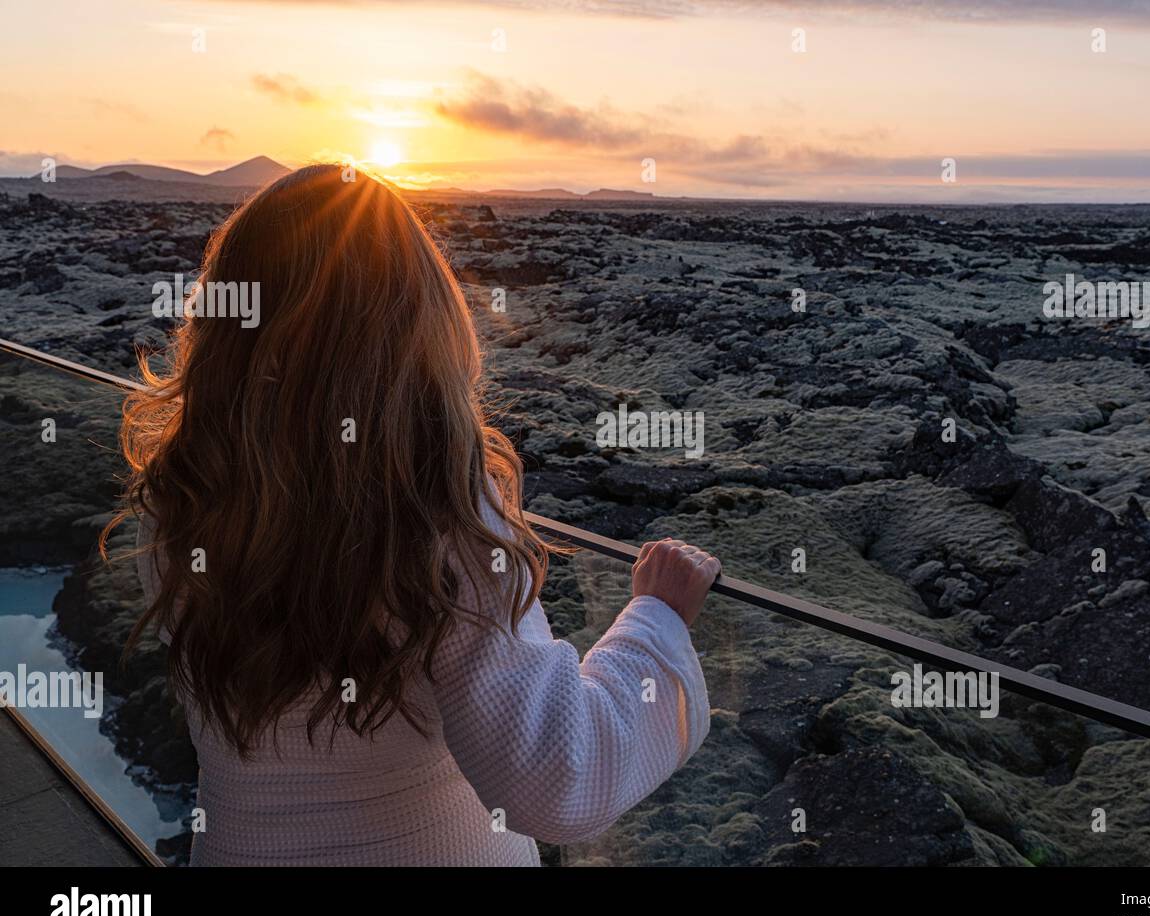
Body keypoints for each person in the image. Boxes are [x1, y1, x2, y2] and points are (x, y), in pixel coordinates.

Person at [110, 165, 718, 865]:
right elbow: (558, 780)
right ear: (417, 320)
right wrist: (653, 623)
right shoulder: (433, 511)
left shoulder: (182, 494)